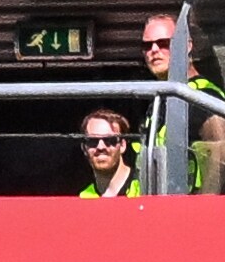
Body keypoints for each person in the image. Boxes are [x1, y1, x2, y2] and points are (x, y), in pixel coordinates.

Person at [138, 13, 225, 194]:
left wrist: (203, 207)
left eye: (164, 43)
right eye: (147, 45)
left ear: (187, 46)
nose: (154, 50)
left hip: (194, 207)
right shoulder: (160, 100)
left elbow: (220, 159)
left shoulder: (203, 97)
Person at [78, 108, 138, 199]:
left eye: (109, 140)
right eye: (92, 141)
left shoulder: (145, 187)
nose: (101, 147)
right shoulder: (84, 198)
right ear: (84, 148)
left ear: (123, 145)